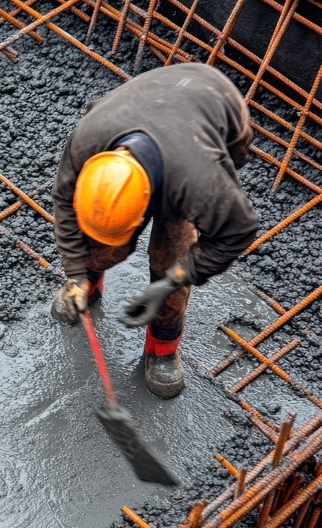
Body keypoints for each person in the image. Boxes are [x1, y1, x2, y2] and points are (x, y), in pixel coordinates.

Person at [50, 63, 258, 399]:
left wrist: (172, 280)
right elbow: (63, 202)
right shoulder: (87, 144)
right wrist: (76, 272)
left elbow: (237, 232)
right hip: (153, 102)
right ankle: (89, 284)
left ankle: (162, 347)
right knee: (95, 246)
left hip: (214, 105)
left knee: (171, 256)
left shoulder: (200, 180)